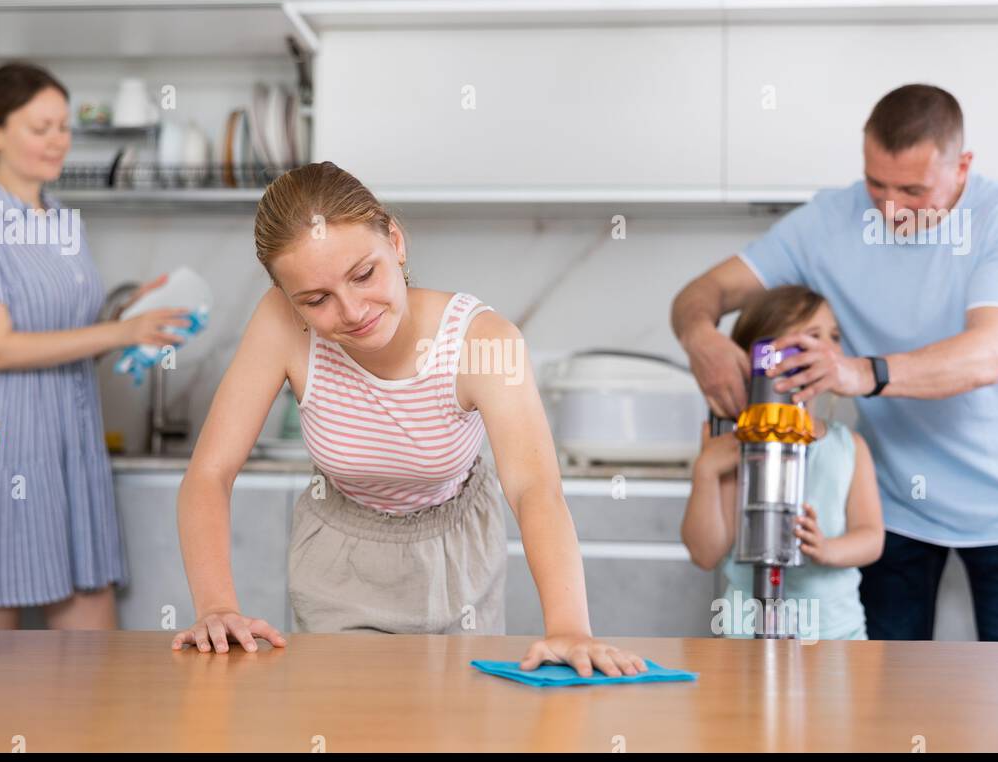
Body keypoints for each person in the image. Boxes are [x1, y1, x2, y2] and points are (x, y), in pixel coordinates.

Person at [172, 161, 647, 678]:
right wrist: (216, 606)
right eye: (316, 300)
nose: (352, 311)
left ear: (395, 242)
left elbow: (536, 488)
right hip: (338, 557)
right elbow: (209, 473)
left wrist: (571, 627)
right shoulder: (280, 323)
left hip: (458, 557)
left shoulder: (482, 340)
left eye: (364, 274)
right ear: (289, 301)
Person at [671, 84, 998, 642]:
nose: (889, 207)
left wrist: (859, 372)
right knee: (886, 709)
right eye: (876, 183)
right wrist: (698, 335)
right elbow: (704, 291)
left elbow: (985, 356)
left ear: (963, 167)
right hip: (897, 504)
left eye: (912, 189)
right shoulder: (829, 221)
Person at [0, 62, 190, 629]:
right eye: (39, 127)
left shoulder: (65, 224)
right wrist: (118, 332)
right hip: (4, 449)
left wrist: (127, 314)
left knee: (93, 661)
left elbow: (70, 340)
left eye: (64, 126)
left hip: (73, 445)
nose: (57, 141)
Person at [680, 285, 884, 640]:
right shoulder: (731, 443)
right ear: (761, 359)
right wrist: (707, 471)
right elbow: (705, 553)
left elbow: (871, 538)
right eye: (810, 338)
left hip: (836, 638)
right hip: (745, 640)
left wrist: (827, 549)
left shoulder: (848, 447)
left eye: (834, 337)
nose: (830, 350)